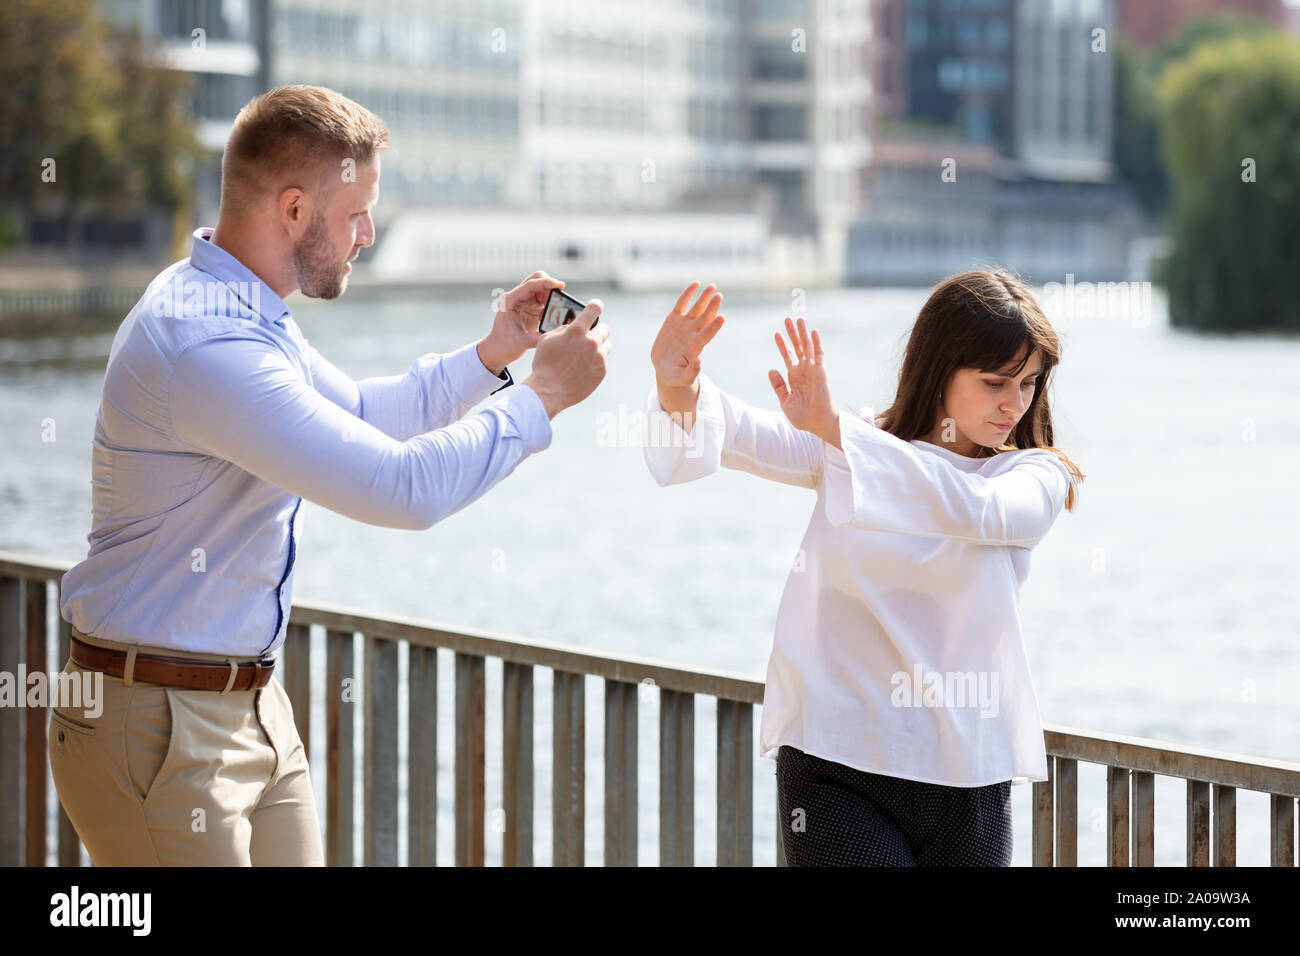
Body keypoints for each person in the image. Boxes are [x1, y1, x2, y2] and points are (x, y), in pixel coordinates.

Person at [49, 85, 610, 866]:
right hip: (157, 722)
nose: (369, 235)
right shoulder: (207, 345)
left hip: (250, 707)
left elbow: (364, 415)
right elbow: (399, 488)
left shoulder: (245, 311)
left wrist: (496, 352)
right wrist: (544, 397)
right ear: (292, 211)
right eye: (356, 215)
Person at [644, 273, 1084, 866]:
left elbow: (976, 511)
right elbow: (740, 435)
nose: (1015, 403)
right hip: (837, 766)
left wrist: (834, 430)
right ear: (940, 367)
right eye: (995, 382)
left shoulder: (1034, 476)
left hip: (971, 775)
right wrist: (679, 384)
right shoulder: (854, 445)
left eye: (1029, 383)